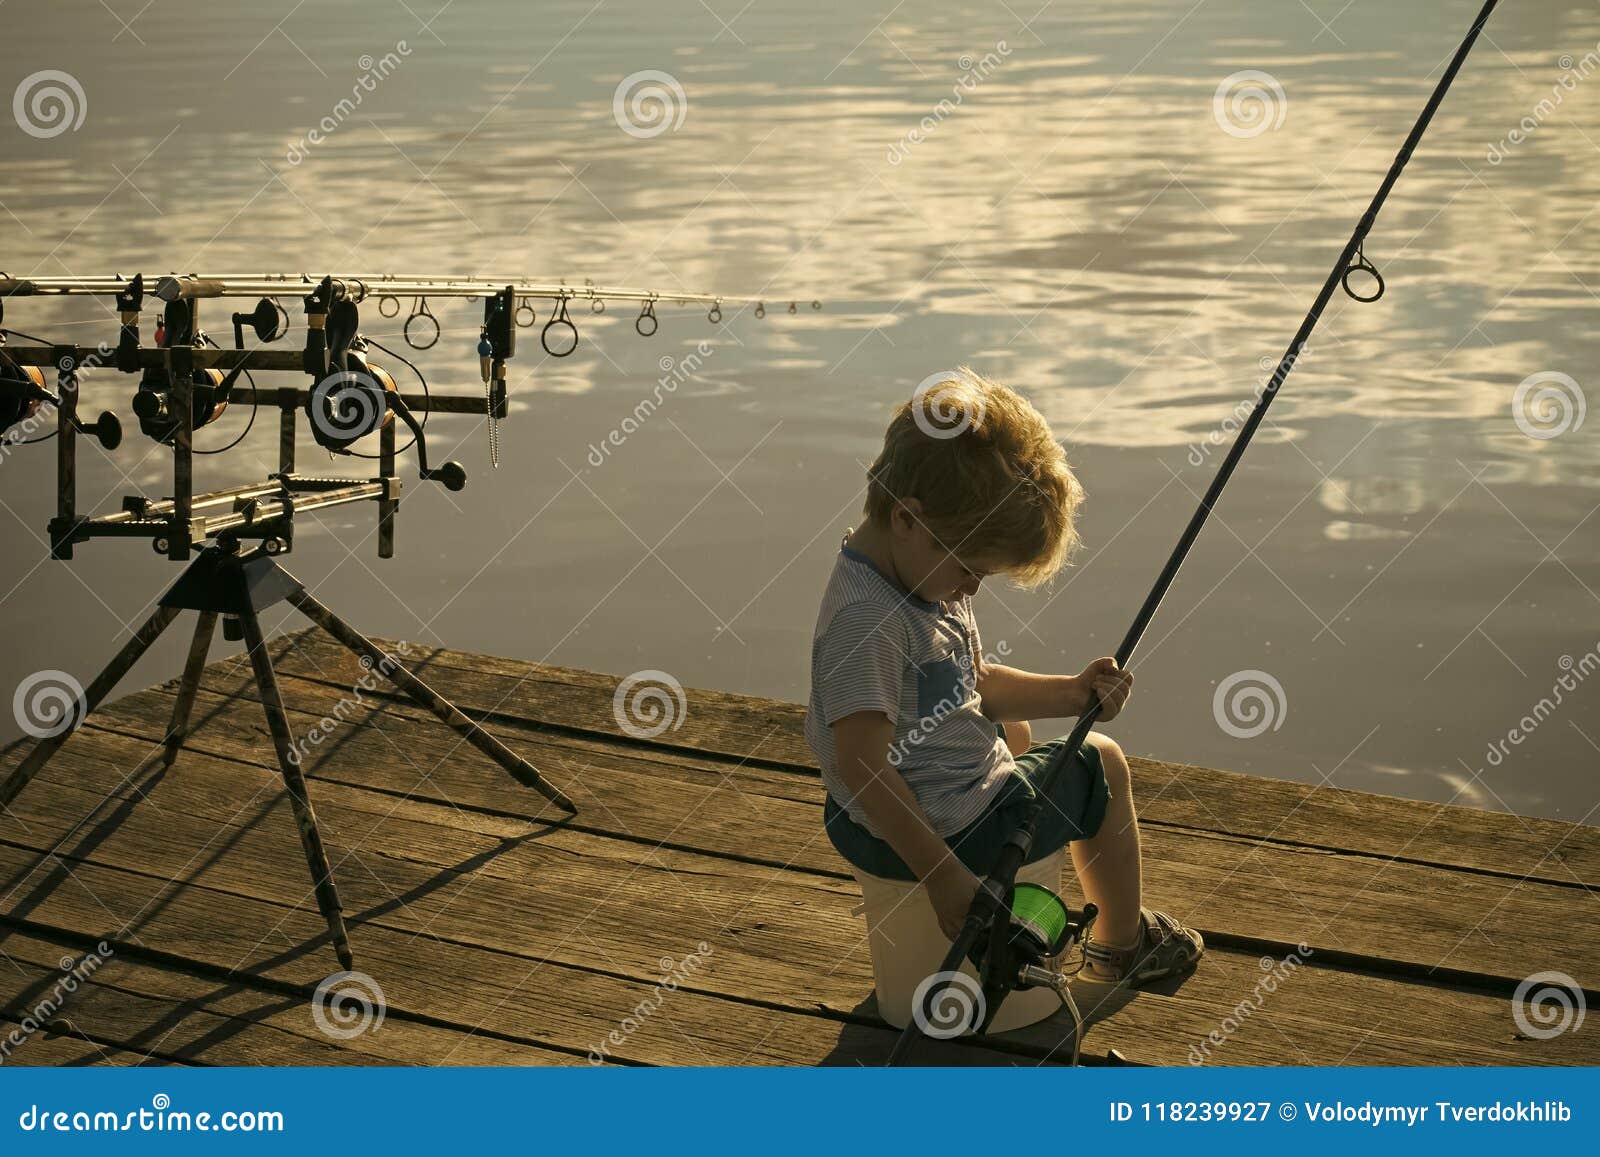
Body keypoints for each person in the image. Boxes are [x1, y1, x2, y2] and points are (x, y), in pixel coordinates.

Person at [804, 366, 1203, 985]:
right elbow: (863, 768)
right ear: (907, 518)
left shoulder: (912, 572)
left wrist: (1073, 693)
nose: (970, 590)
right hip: (946, 834)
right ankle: (1120, 949)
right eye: (971, 570)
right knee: (1101, 762)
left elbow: (971, 684)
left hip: (897, 819)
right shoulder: (868, 622)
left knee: (1014, 731)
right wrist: (944, 877)